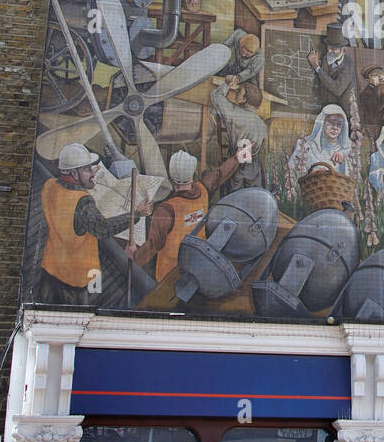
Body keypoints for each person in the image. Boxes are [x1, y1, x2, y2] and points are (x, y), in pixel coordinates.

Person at [37, 143, 152, 305]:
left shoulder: (49, 186)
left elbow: (66, 194)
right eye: (86, 169)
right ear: (73, 173)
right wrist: (136, 215)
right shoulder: (83, 202)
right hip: (76, 281)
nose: (92, 172)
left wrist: (86, 178)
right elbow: (102, 229)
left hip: (49, 270)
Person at [128, 149, 244, 282]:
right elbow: (219, 174)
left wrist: (135, 255)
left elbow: (154, 244)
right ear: (193, 173)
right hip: (198, 265)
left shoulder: (165, 210)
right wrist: (236, 158)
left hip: (170, 276)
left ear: (171, 177)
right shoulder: (203, 190)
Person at [210, 77, 267, 170]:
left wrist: (227, 83)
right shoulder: (263, 125)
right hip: (254, 169)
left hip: (235, 165)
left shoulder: (234, 113)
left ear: (244, 99)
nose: (235, 92)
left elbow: (215, 96)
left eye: (239, 91)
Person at [290, 104, 354, 176]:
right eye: (331, 122)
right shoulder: (305, 145)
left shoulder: (347, 149)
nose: (335, 127)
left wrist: (343, 162)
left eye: (339, 124)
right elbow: (292, 171)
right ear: (322, 123)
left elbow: (352, 179)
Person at [308, 23, 357, 109]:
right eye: (328, 47)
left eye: (334, 48)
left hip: (341, 109)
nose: (330, 51)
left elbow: (337, 89)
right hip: (324, 107)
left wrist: (317, 68)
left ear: (343, 49)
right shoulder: (325, 59)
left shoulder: (349, 65)